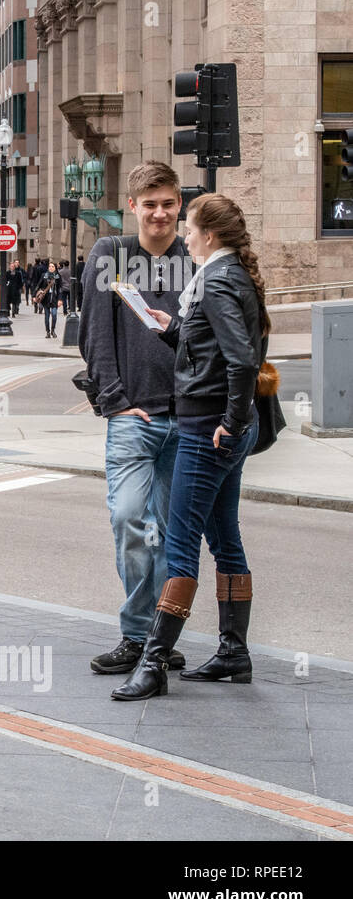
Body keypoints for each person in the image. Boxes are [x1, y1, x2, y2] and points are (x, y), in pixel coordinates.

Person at [112, 194, 268, 700]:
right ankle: (233, 652)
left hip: (207, 430)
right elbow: (217, 349)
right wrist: (172, 328)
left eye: (191, 227)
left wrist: (230, 420)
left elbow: (241, 360)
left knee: (180, 546)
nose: (186, 235)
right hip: (224, 428)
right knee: (225, 539)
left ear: (211, 236)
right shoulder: (230, 277)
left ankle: (153, 662)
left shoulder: (218, 280)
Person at [79, 161, 193, 676]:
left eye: (168, 203)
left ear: (179, 205)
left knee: (172, 535)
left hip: (189, 420)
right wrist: (115, 399)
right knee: (130, 519)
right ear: (133, 207)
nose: (160, 213)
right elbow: (96, 336)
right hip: (134, 418)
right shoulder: (112, 255)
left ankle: (159, 639)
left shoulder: (194, 259)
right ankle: (135, 633)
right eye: (150, 204)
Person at [37, 261, 65, 337]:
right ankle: (48, 332)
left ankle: (53, 330)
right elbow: (38, 285)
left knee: (54, 314)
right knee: (47, 316)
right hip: (46, 299)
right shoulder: (44, 275)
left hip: (54, 299)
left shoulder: (57, 276)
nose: (51, 268)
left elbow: (60, 289)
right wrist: (34, 295)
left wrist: (60, 299)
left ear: (55, 268)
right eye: (50, 266)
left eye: (53, 266)